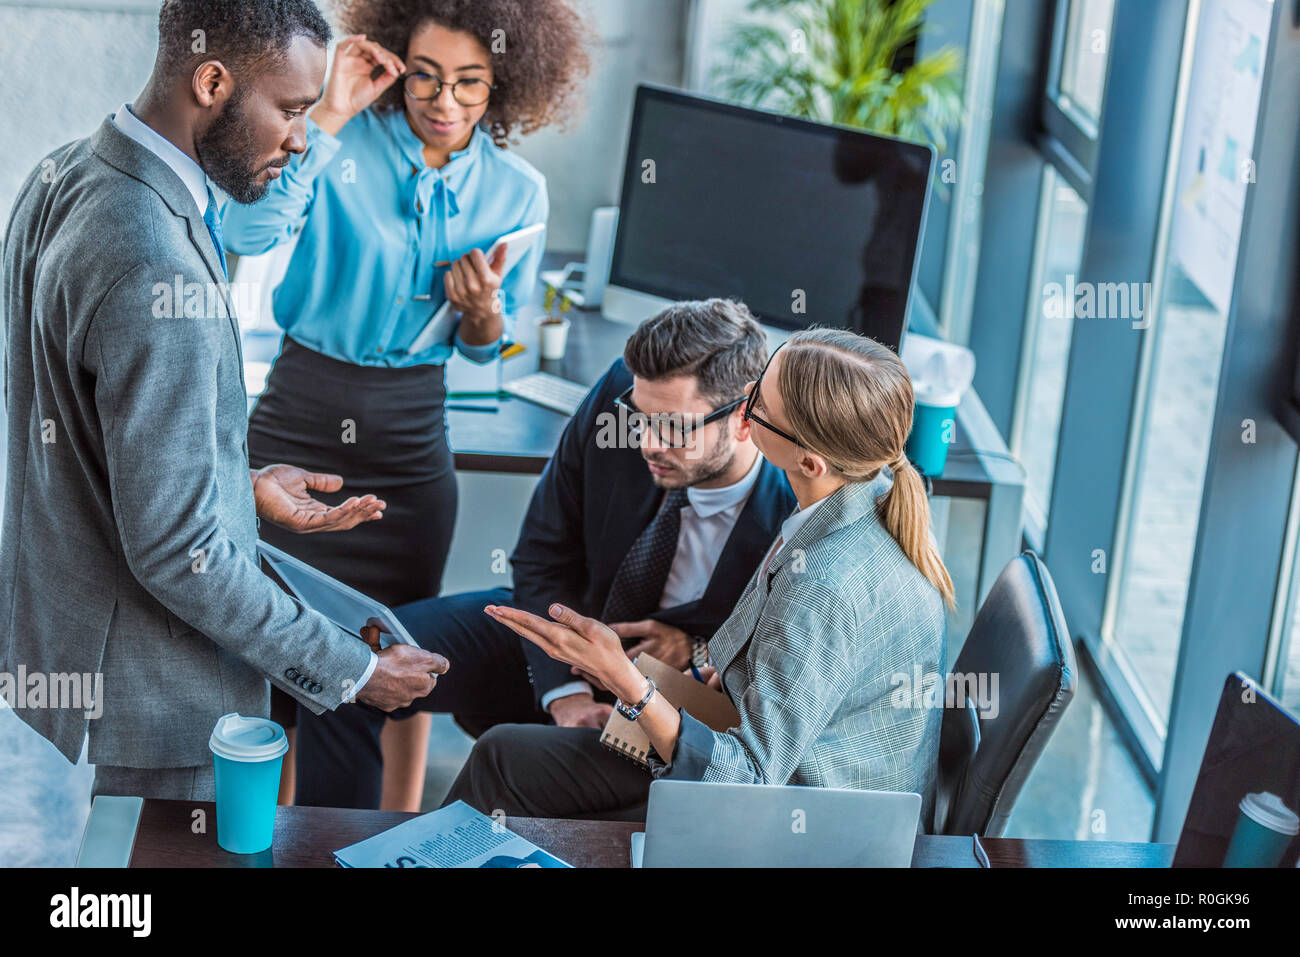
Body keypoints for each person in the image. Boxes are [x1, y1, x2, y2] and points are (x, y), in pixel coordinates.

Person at [0, 0, 448, 801]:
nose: (304, 138)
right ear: (212, 80)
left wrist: (230, 484)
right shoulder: (152, 255)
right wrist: (351, 669)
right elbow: (175, 549)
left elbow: (77, 434)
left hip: (61, 671)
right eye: (291, 109)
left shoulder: (64, 172)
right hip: (145, 703)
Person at [220, 0, 589, 809]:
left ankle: (385, 836)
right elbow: (246, 235)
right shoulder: (340, 141)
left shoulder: (517, 190)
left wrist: (483, 313)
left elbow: (486, 348)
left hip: (412, 447)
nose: (444, 102)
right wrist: (327, 116)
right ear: (394, 66)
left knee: (392, 653)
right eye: (424, 77)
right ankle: (276, 835)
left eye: (469, 84)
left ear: (505, 86)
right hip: (297, 420)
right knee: (272, 655)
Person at [292, 300, 799, 811]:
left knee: (521, 774)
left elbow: (774, 683)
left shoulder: (792, 513)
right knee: (348, 669)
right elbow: (542, 557)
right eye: (639, 419)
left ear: (742, 418)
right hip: (555, 640)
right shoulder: (619, 397)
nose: (646, 442)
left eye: (671, 427)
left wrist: (698, 648)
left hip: (663, 706)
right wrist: (565, 694)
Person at [455, 327, 956, 825]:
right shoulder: (870, 499)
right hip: (794, 767)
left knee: (504, 757)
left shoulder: (822, 584)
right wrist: (698, 682)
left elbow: (748, 782)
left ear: (808, 460)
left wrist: (627, 683)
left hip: (803, 822)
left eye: (759, 404)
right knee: (511, 750)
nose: (744, 403)